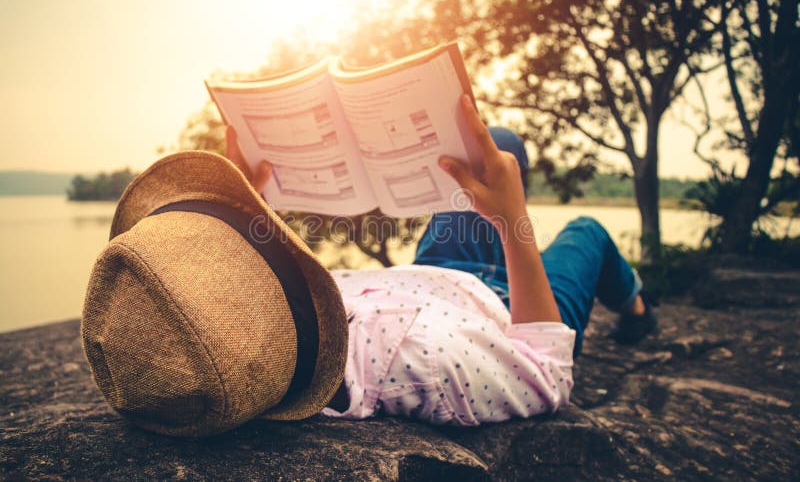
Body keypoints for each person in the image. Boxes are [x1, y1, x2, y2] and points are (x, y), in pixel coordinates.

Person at [225, 94, 657, 426]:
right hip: (518, 310)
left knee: (493, 146)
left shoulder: (296, 313)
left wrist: (249, 212)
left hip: (439, 273)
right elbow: (548, 372)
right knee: (586, 232)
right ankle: (636, 309)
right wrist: (512, 225)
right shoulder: (422, 359)